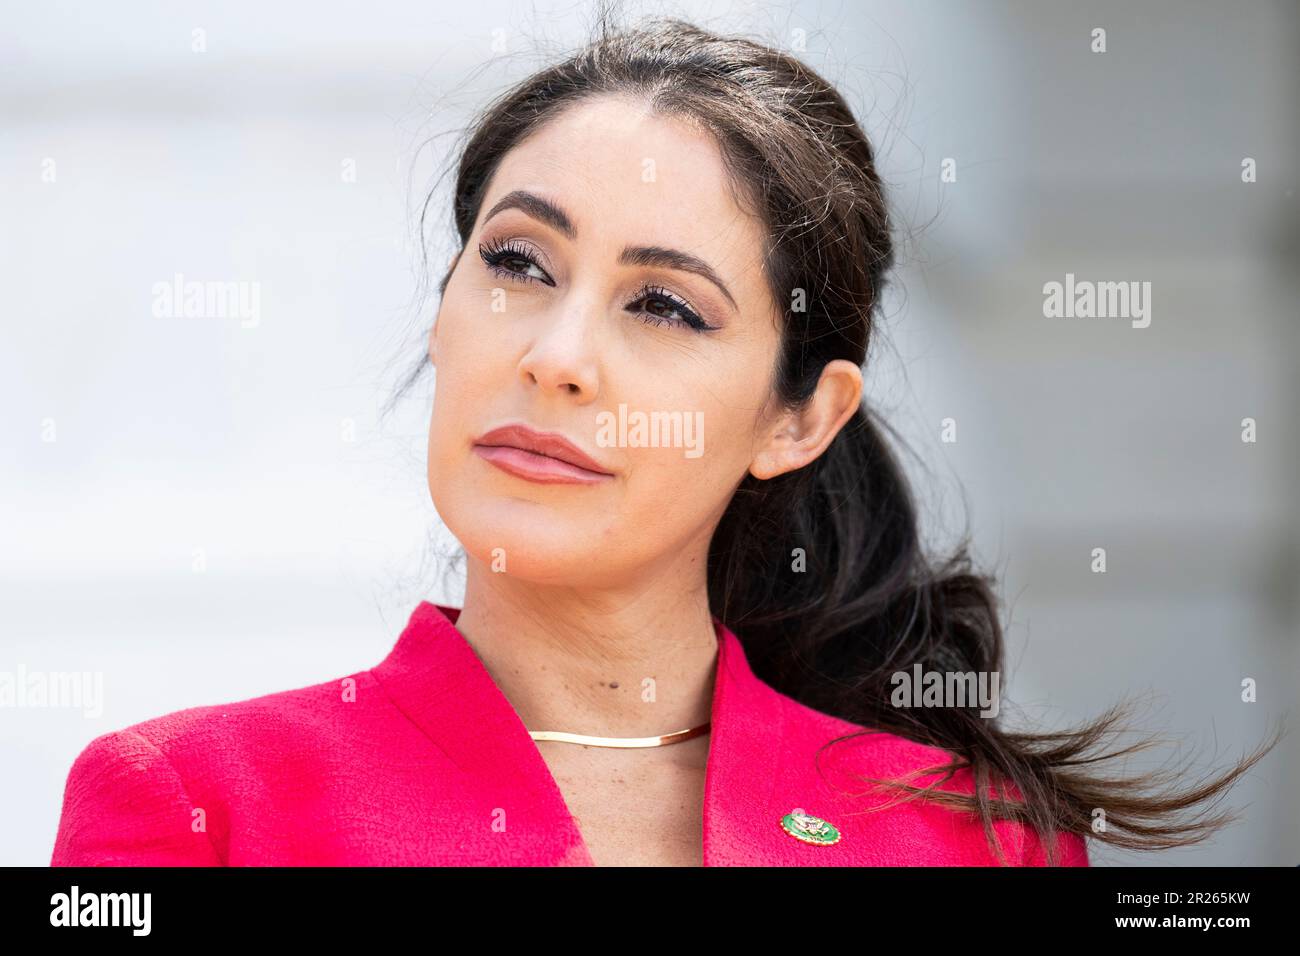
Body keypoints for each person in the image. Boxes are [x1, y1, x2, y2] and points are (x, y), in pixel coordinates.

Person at [50, 15, 1279, 867]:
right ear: (444, 310)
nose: (557, 352)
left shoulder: (975, 834)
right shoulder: (196, 802)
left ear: (800, 417)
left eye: (663, 305)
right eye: (518, 263)